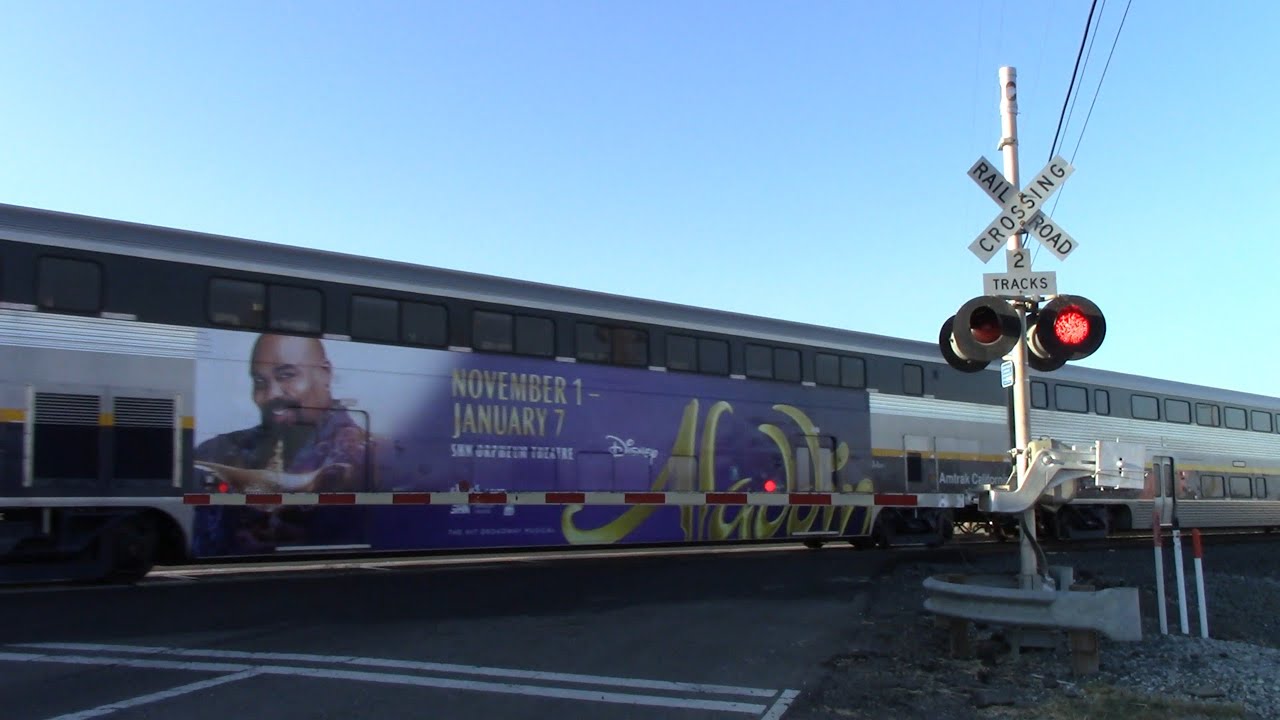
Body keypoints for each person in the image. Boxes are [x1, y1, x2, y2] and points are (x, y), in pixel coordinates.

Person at [192, 333, 372, 555]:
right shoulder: (217, 451)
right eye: (260, 382)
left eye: (286, 375)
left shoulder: (367, 456)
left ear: (325, 373)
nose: (271, 394)